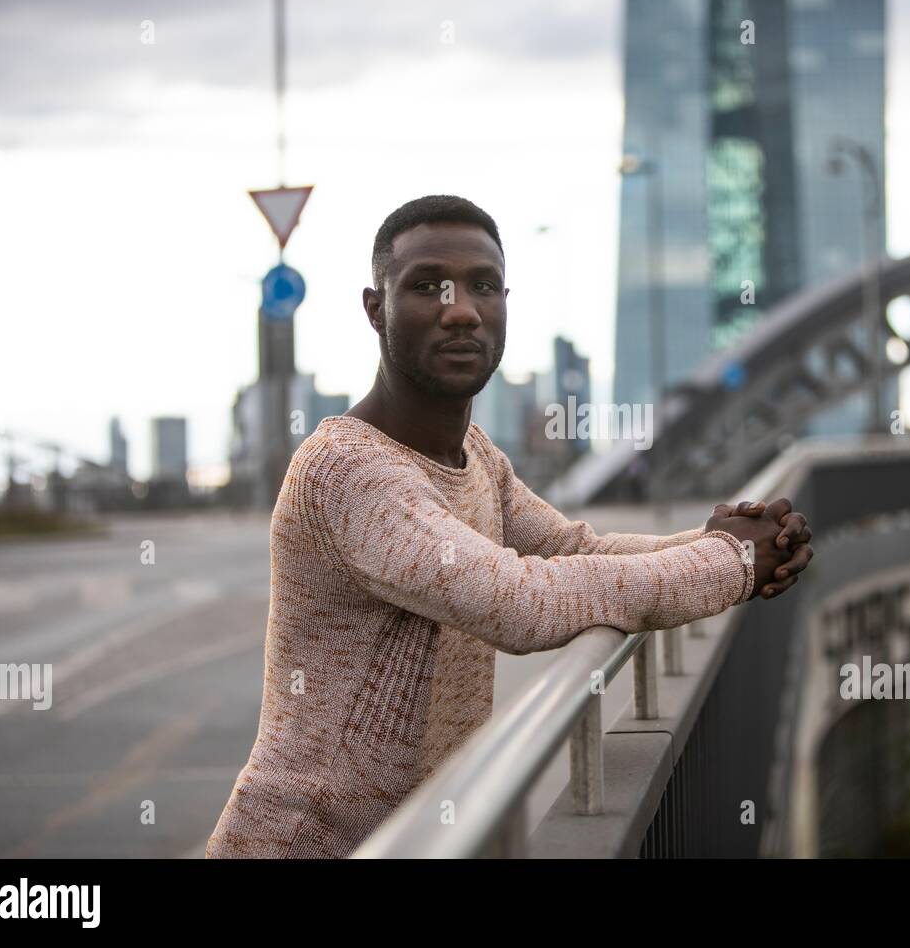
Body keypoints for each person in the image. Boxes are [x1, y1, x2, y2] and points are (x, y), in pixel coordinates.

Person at [205, 194, 813, 858]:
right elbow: (518, 602)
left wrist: (713, 541)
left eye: (484, 286)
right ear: (375, 309)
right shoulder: (347, 469)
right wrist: (730, 564)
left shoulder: (475, 458)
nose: (461, 309)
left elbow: (577, 549)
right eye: (427, 286)